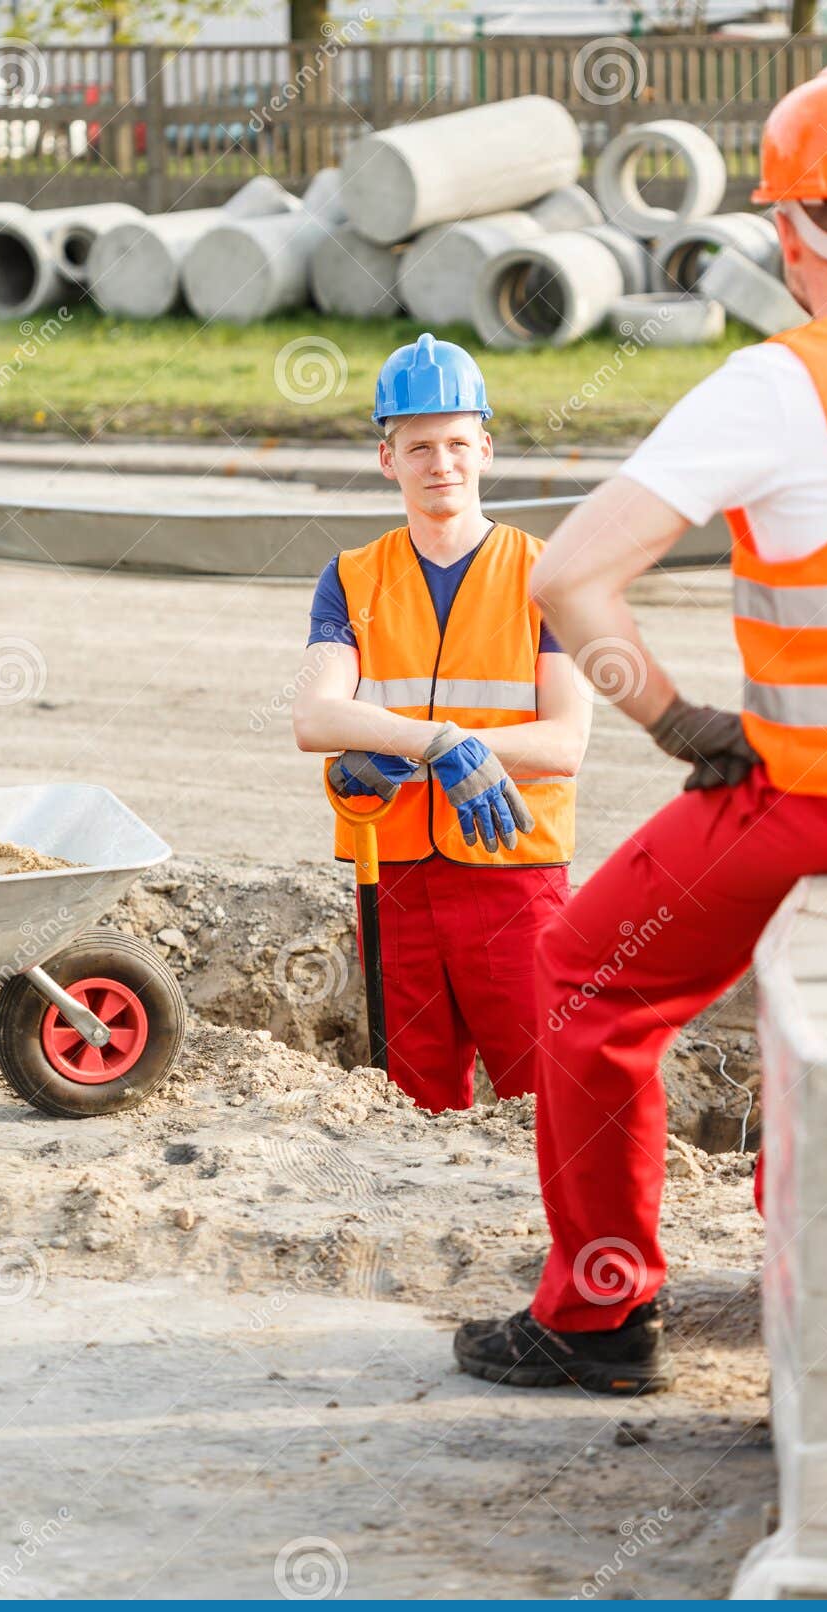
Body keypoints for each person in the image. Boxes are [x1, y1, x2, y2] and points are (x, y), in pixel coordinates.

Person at [454, 64, 827, 1394]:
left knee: (588, 976)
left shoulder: (774, 386)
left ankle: (596, 1312)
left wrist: (677, 719)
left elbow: (565, 577)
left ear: (781, 236)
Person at [293, 332, 591, 1113]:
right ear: (387, 457)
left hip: (512, 873)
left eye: (458, 442)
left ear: (485, 448)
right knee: (409, 1106)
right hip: (392, 878)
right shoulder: (352, 577)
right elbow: (315, 714)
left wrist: (447, 748)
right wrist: (440, 744)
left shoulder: (549, 574)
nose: (441, 464)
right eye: (418, 446)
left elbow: (566, 741)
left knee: (547, 1095)